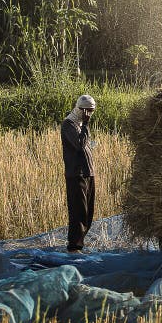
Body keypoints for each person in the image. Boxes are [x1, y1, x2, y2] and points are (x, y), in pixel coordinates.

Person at [61, 94, 96, 253]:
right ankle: (74, 247)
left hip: (88, 173)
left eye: (92, 111)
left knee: (88, 212)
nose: (89, 114)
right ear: (79, 109)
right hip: (76, 174)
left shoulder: (80, 124)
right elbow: (80, 145)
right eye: (87, 111)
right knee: (78, 212)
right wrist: (86, 125)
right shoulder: (69, 124)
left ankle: (79, 244)